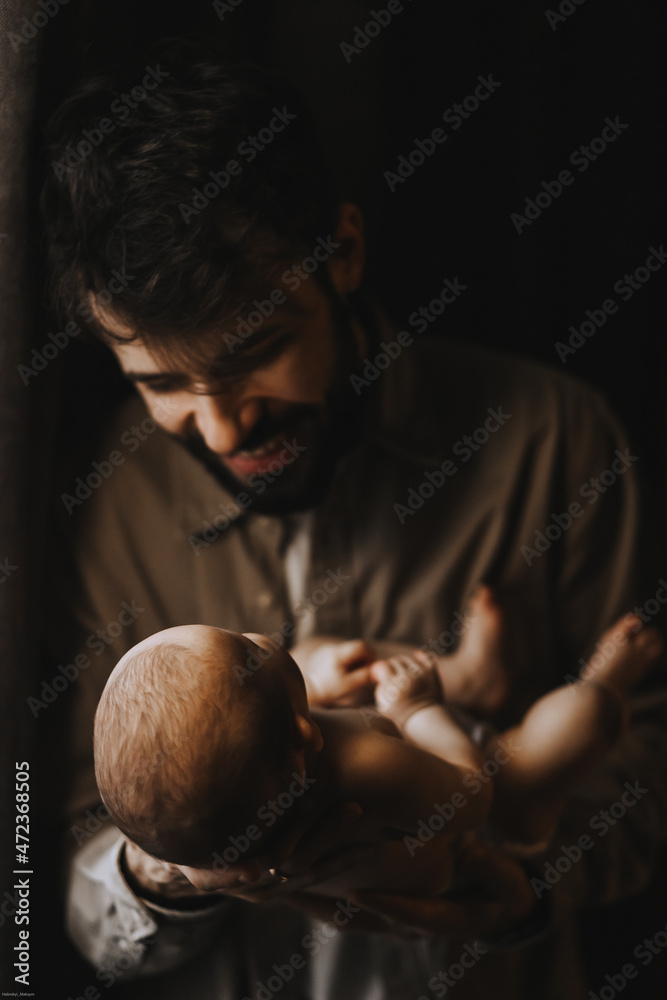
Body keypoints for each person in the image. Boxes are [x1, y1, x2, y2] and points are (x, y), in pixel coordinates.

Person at [43, 41, 667, 1000]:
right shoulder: (117, 498)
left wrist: (516, 887)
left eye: (258, 351)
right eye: (161, 383)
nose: (220, 427)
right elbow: (61, 894)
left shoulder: (552, 441)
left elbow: (649, 785)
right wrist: (166, 869)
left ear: (341, 251)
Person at [93, 614, 662, 903]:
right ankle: (605, 684)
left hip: (401, 773)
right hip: (479, 817)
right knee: (581, 718)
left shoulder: (202, 851)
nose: (257, 635)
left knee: (315, 658)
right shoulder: (367, 767)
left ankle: (470, 675)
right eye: (247, 647)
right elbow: (470, 792)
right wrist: (418, 710)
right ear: (305, 737)